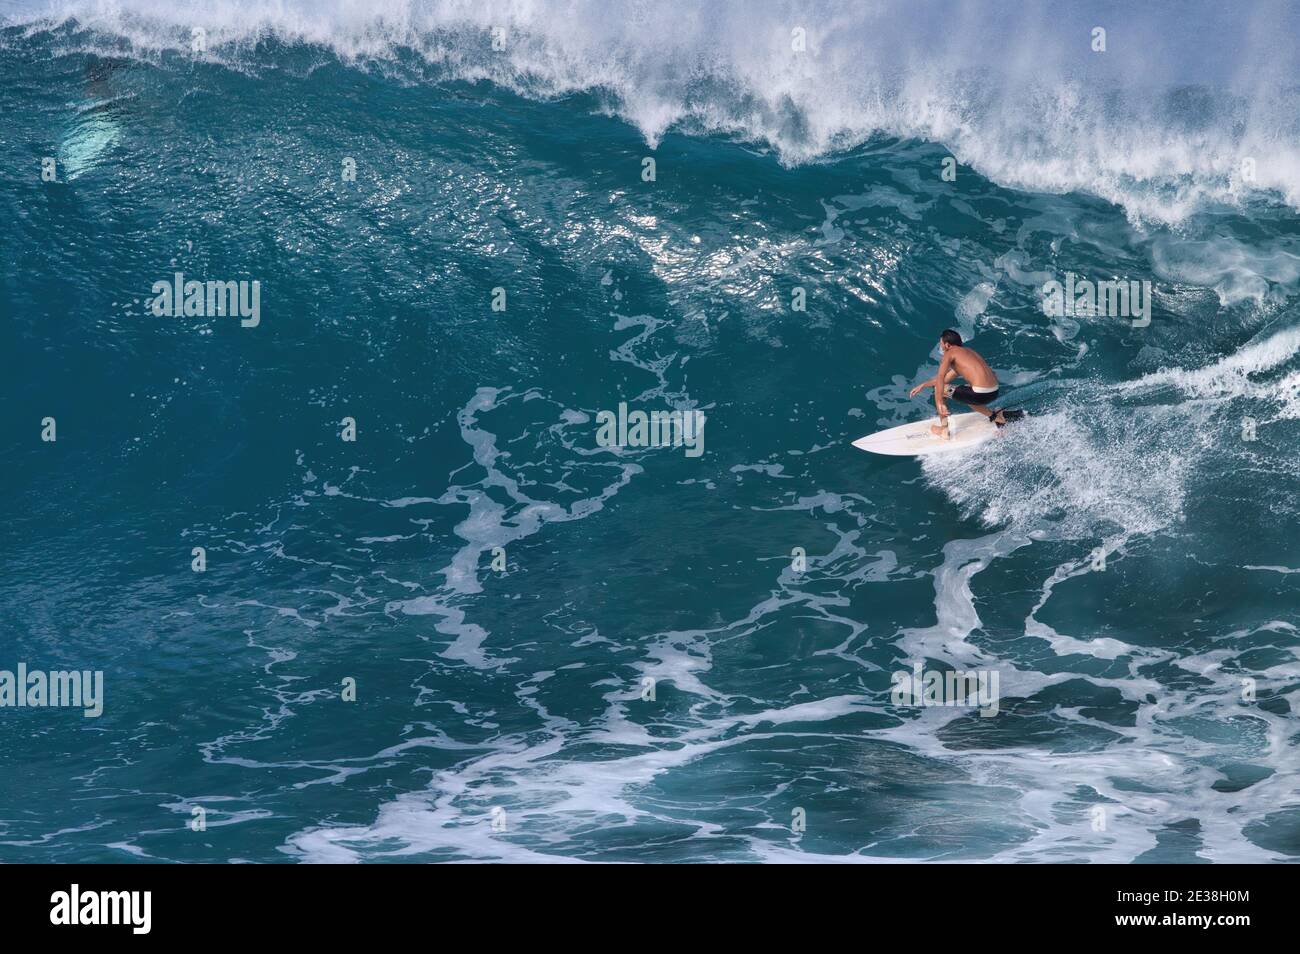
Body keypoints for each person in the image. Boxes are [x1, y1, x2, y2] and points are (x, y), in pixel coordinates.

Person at [908, 329, 1022, 438]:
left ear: (947, 345)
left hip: (980, 394)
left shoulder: (949, 353)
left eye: (941, 344)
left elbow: (941, 379)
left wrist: (940, 404)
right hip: (993, 392)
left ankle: (944, 430)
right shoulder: (968, 353)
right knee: (967, 392)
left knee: (941, 390)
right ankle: (996, 416)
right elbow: (947, 378)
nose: (941, 347)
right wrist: (923, 385)